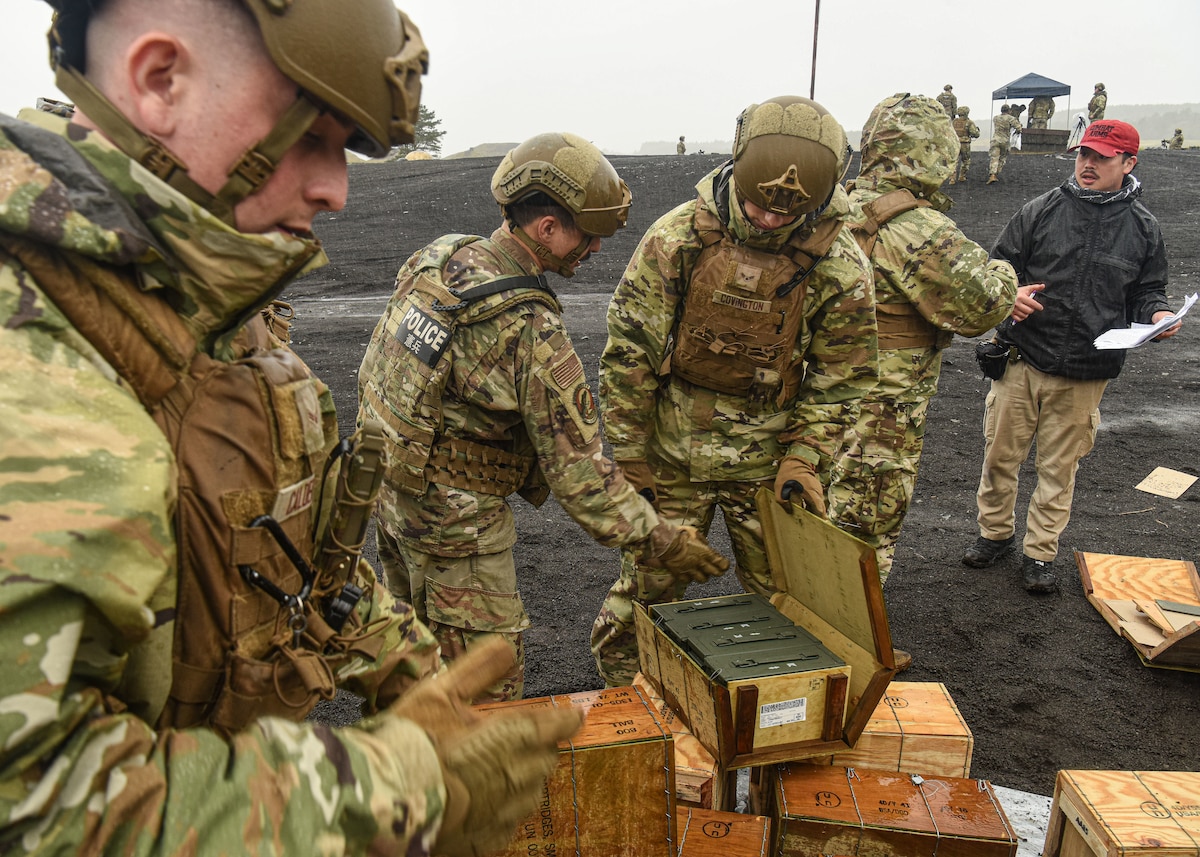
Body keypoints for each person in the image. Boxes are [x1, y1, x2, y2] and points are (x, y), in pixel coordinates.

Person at [0, 1, 584, 854]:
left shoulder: (207, 309)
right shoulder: (32, 376)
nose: (336, 189)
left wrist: (418, 679)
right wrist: (388, 787)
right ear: (161, 80)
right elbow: (38, 804)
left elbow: (301, 559)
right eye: (311, 138)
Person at [358, 132, 728, 703]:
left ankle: (395, 782)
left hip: (395, 502)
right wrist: (662, 540)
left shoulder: (439, 260)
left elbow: (378, 371)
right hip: (461, 533)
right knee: (482, 695)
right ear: (547, 228)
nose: (596, 251)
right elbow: (580, 475)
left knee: (405, 668)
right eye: (588, 236)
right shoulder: (528, 327)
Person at [590, 95, 879, 685]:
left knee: (791, 606)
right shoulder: (678, 239)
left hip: (769, 467)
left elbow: (840, 379)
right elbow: (630, 352)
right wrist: (627, 454)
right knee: (644, 598)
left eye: (788, 214)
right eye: (757, 205)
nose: (770, 220)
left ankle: (778, 723)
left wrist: (804, 459)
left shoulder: (839, 265)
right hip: (674, 456)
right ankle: (627, 712)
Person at [963, 119, 1181, 593]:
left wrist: (1160, 314)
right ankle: (994, 534)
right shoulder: (1040, 210)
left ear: (1128, 163)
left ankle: (1040, 555)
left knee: (1059, 470)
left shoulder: (1144, 229)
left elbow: (1148, 290)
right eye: (1084, 155)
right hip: (1022, 358)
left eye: (1101, 157)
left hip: (1087, 371)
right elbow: (997, 266)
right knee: (1000, 456)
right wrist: (1010, 293)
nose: (1088, 164)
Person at [832, 93, 1017, 600]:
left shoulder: (832, 208)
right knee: (866, 521)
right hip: (883, 408)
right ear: (937, 151)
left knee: (810, 512)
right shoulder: (919, 227)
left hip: (817, 398)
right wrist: (1005, 273)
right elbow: (982, 306)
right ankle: (843, 644)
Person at [987, 104, 1023, 184]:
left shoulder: (995, 118)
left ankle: (992, 174)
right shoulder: (1011, 118)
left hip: (995, 140)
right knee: (1002, 158)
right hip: (1005, 141)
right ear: (1009, 110)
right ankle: (996, 173)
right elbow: (1018, 128)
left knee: (994, 158)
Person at [950, 105, 980, 184]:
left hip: (955, 143)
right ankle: (962, 176)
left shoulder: (954, 122)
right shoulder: (969, 122)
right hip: (965, 144)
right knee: (966, 160)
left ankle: (952, 178)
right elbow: (975, 134)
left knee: (954, 161)